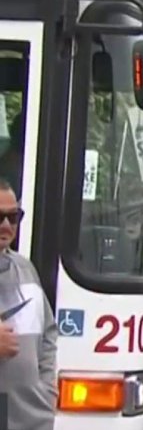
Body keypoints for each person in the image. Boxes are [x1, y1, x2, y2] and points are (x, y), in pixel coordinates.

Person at [0, 178, 55, 430]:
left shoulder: (25, 268)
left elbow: (48, 336)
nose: (6, 226)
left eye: (13, 217)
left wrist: (46, 392)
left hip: (32, 419)